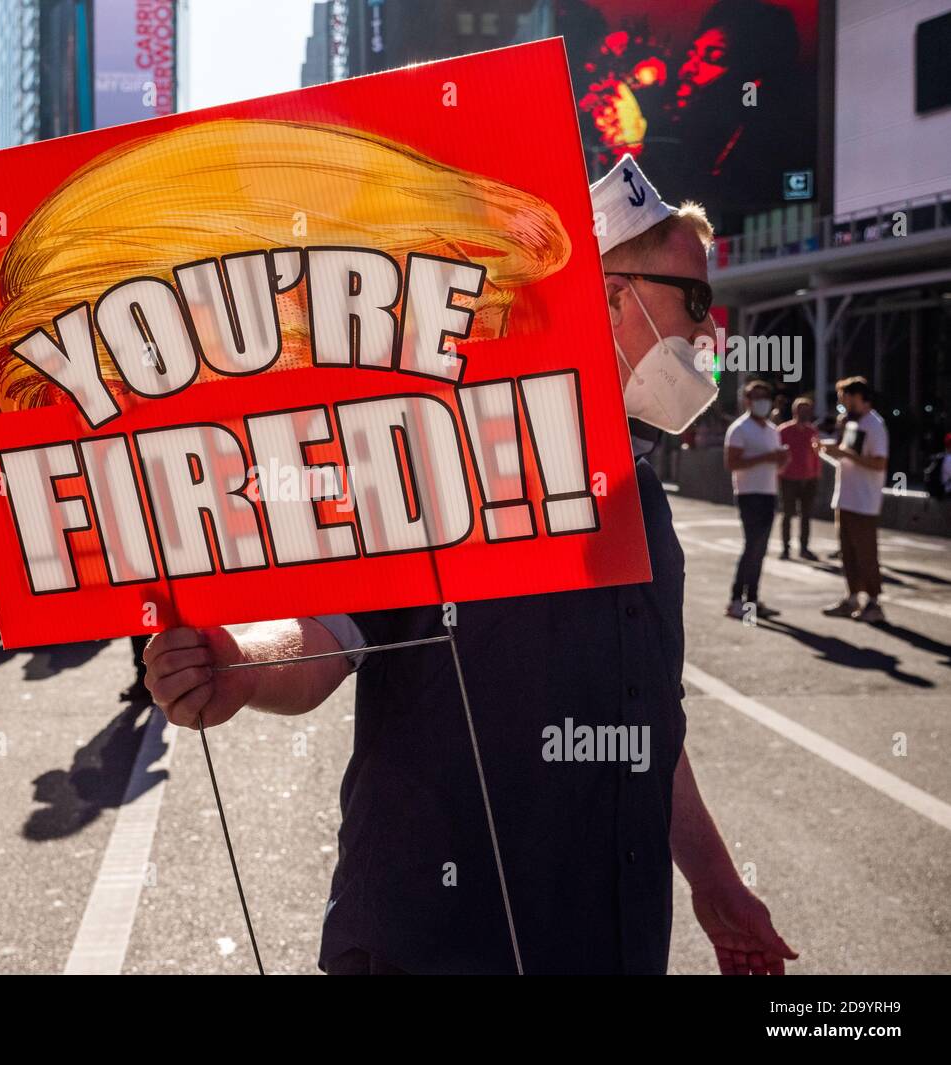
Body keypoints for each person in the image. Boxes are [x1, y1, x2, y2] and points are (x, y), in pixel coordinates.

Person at [143, 155, 795, 975]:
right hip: (432, 946)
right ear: (609, 298)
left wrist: (715, 880)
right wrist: (235, 664)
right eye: (694, 300)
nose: (711, 331)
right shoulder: (441, 461)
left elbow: (644, 724)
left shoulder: (646, 502)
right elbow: (327, 637)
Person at [820, 377, 888, 623]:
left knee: (866, 553)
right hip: (846, 499)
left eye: (844, 399)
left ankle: (873, 603)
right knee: (848, 553)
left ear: (857, 397)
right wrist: (829, 452)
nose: (842, 404)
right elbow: (847, 459)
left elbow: (879, 462)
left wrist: (843, 452)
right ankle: (852, 599)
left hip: (863, 501)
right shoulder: (853, 424)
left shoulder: (874, 425)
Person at [723, 379, 788, 618]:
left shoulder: (772, 430)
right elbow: (732, 463)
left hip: (769, 492)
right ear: (747, 401)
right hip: (749, 494)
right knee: (751, 547)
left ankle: (752, 600)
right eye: (756, 398)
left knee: (760, 550)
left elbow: (775, 464)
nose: (762, 402)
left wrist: (781, 460)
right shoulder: (739, 429)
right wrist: (766, 457)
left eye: (765, 397)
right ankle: (735, 600)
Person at [776, 395, 820, 560]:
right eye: (802, 410)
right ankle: (785, 548)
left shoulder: (812, 431)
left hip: (809, 479)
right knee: (787, 514)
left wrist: (815, 475)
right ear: (795, 411)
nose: (805, 413)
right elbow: (778, 454)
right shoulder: (784, 430)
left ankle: (804, 548)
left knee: (806, 515)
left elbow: (816, 455)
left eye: (807, 410)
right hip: (788, 478)